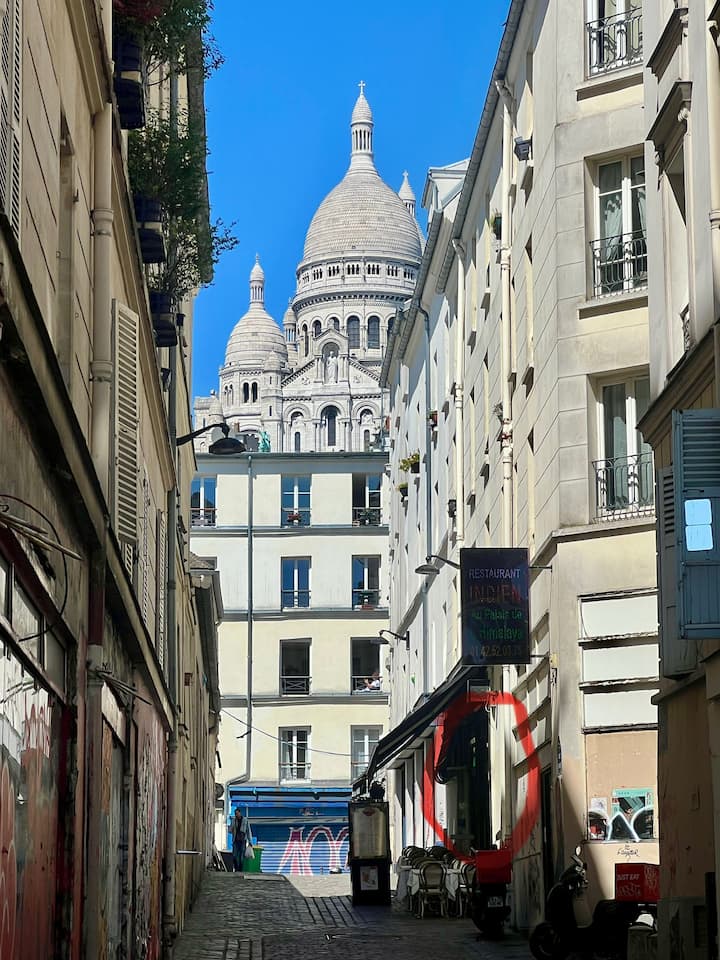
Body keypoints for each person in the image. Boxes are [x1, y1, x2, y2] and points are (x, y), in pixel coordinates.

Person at [230, 807, 250, 872]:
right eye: (235, 814)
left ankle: (240, 870)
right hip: (235, 840)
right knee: (234, 856)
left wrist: (250, 841)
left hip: (242, 841)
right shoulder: (234, 820)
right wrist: (232, 824)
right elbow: (230, 830)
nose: (236, 815)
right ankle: (236, 869)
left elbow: (248, 831)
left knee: (241, 857)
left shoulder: (245, 820)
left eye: (237, 813)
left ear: (240, 813)